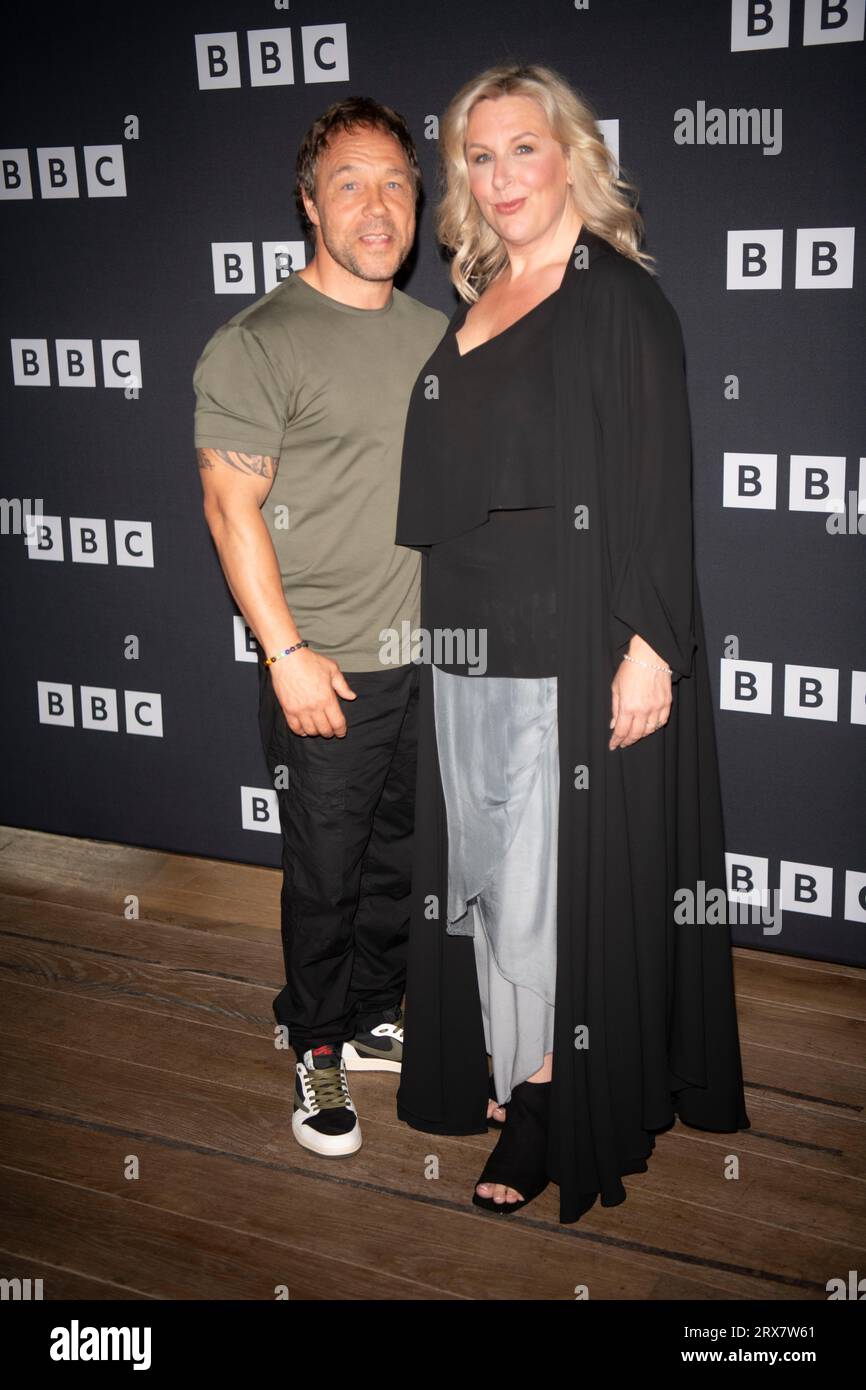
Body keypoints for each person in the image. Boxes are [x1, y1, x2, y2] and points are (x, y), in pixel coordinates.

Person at [394, 63, 751, 1221]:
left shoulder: (616, 297)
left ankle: (552, 1093)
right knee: (488, 875)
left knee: (545, 880)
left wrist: (650, 640)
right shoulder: (476, 298)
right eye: (477, 157)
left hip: (565, 634)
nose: (499, 177)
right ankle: (507, 1061)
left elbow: (658, 479)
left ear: (571, 159)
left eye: (521, 150)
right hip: (464, 630)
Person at [192, 98, 448, 1158]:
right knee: (325, 870)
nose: (376, 203)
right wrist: (286, 654)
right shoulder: (257, 341)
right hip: (325, 666)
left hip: (431, 662)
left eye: (394, 180)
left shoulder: (439, 334)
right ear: (308, 203)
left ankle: (377, 1009)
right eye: (349, 181)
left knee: (401, 858)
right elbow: (228, 505)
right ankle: (314, 1041)